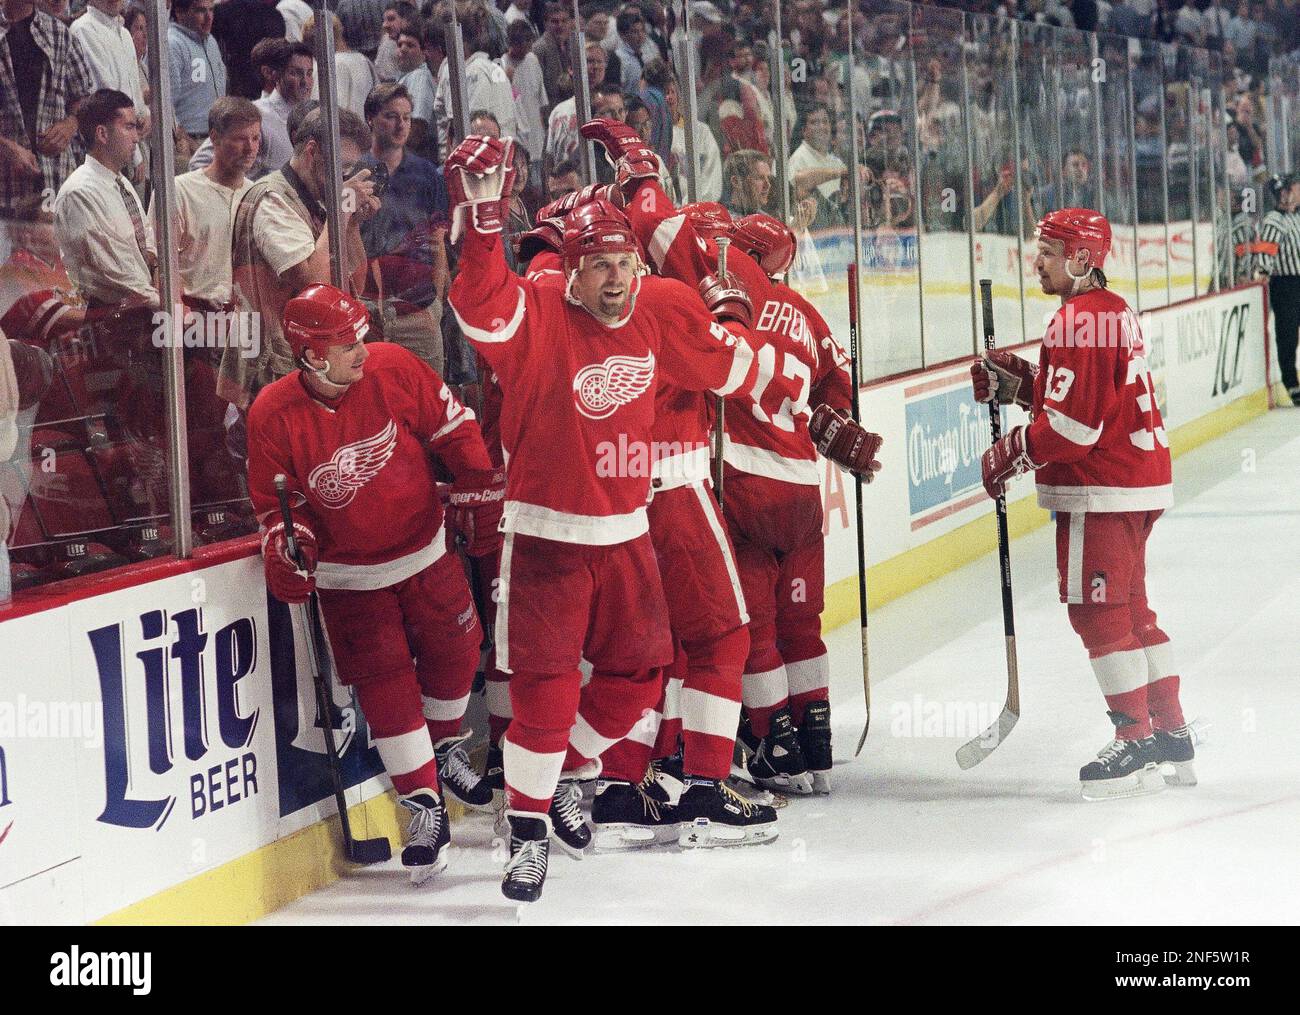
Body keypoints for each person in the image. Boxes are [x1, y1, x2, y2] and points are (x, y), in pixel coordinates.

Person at [445, 135, 792, 901]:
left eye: (623, 264)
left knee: (640, 675)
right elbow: (478, 303)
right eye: (598, 266)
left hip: (628, 530)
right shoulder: (537, 311)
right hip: (545, 539)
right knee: (543, 691)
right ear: (569, 271)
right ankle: (528, 831)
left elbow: (728, 365)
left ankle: (573, 767)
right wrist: (480, 218)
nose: (614, 280)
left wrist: (775, 362)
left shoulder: (659, 305)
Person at [247, 281, 500, 882]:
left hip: (424, 547)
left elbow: (453, 427)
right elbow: (275, 508)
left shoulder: (393, 368)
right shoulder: (271, 414)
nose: (363, 352)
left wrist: (477, 480)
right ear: (312, 356)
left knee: (459, 654)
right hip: (347, 576)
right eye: (346, 344)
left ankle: (440, 746)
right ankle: (424, 804)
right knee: (385, 683)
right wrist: (291, 547)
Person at [972, 208, 1193, 800]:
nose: (1036, 260)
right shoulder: (1110, 311)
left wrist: (1010, 452)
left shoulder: (1075, 319)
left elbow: (1072, 432)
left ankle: (1134, 739)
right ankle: (1170, 733)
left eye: (1048, 250)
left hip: (1102, 488)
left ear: (1081, 258)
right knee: (1133, 611)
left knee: (1097, 615)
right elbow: (1086, 398)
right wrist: (1024, 384)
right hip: (1137, 480)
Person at [222, 108, 379, 410]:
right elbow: (315, 286)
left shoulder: (317, 198)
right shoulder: (271, 198)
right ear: (312, 151)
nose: (345, 178)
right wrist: (341, 209)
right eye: (341, 167)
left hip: (308, 365)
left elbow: (353, 284)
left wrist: (353, 222)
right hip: (270, 373)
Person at [360, 82, 450, 371]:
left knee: (430, 398)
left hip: (418, 309)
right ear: (371, 119)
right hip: (368, 308)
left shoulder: (427, 174)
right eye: (391, 116)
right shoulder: (354, 173)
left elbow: (438, 240)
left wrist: (435, 304)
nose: (401, 125)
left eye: (407, 117)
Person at [0, 0, 95, 220]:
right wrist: (6, 147)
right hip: (5, 183)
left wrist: (70, 124)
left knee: (55, 250)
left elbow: (84, 98)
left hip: (54, 174)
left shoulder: (60, 34)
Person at [1256, 173, 1300, 405]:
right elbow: (1265, 252)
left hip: (1297, 282)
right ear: (1284, 193)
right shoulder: (1274, 219)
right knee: (1288, 335)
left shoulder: (1296, 216)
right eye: (1296, 187)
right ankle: (1291, 384)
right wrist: (1263, 272)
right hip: (1286, 285)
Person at [169, 0, 227, 140]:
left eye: (211, 10)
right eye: (201, 11)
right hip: (187, 139)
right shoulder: (172, 44)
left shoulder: (211, 41)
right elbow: (166, 103)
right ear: (180, 12)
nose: (209, 17)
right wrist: (183, 139)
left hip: (215, 136)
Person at [254, 41, 314, 176]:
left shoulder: (314, 116)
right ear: (277, 76)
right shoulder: (256, 115)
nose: (305, 82)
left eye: (309, 74)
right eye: (296, 73)